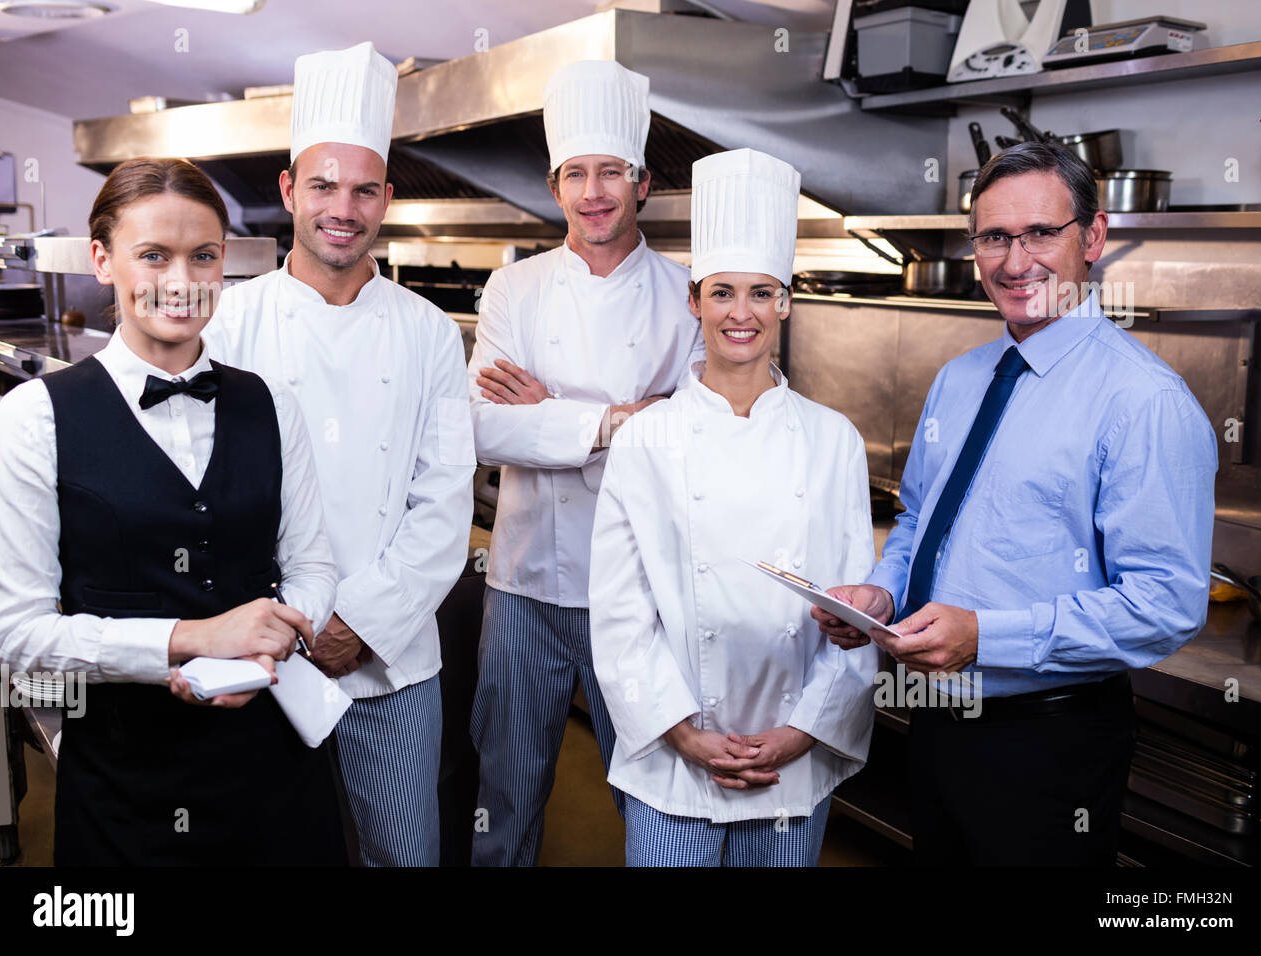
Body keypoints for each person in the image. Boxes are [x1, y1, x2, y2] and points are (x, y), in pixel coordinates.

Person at [813, 141, 1219, 866]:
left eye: (1040, 233)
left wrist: (986, 638)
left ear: (1093, 238)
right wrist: (883, 592)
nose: (1013, 260)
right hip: (939, 716)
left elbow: (1166, 603)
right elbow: (918, 519)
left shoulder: (1143, 401)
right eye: (994, 237)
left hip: (1049, 743)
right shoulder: (962, 377)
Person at [0, 157, 345, 866]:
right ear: (102, 259)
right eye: (154, 255)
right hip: (125, 783)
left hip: (273, 768)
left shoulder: (271, 405)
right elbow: (11, 635)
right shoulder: (37, 418)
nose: (181, 282)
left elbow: (312, 564)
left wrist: (267, 643)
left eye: (203, 256)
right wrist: (185, 641)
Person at [205, 42, 476, 867]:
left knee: (404, 854)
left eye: (364, 189)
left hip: (389, 659)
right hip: (261, 652)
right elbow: (200, 491)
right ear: (289, 189)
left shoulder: (428, 332)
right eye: (322, 184)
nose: (343, 208)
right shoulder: (230, 320)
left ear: (388, 199)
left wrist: (358, 620)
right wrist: (280, 623)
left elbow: (445, 500)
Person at [588, 148, 878, 867]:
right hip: (671, 760)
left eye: (760, 293)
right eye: (721, 293)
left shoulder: (832, 439)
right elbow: (620, 611)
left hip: (791, 759)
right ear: (694, 300)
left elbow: (855, 614)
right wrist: (682, 730)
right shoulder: (647, 439)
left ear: (785, 300)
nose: (740, 314)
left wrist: (803, 732)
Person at [467, 59, 704, 866]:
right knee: (504, 792)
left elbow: (697, 447)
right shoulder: (513, 290)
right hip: (525, 584)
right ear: (554, 184)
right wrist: (619, 421)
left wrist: (551, 415)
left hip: (641, 590)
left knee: (653, 795)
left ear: (642, 181)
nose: (594, 190)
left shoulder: (691, 294)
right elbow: (481, 432)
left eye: (612, 172)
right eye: (577, 174)